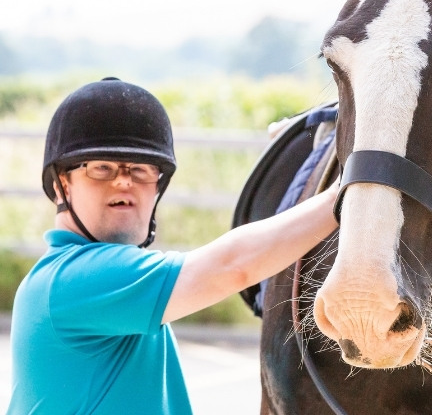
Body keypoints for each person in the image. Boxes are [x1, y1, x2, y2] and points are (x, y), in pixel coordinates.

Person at [7, 77, 339, 414]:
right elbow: (232, 267)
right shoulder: (73, 280)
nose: (123, 180)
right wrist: (347, 191)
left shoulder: (94, 289)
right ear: (63, 183)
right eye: (101, 168)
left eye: (140, 169)